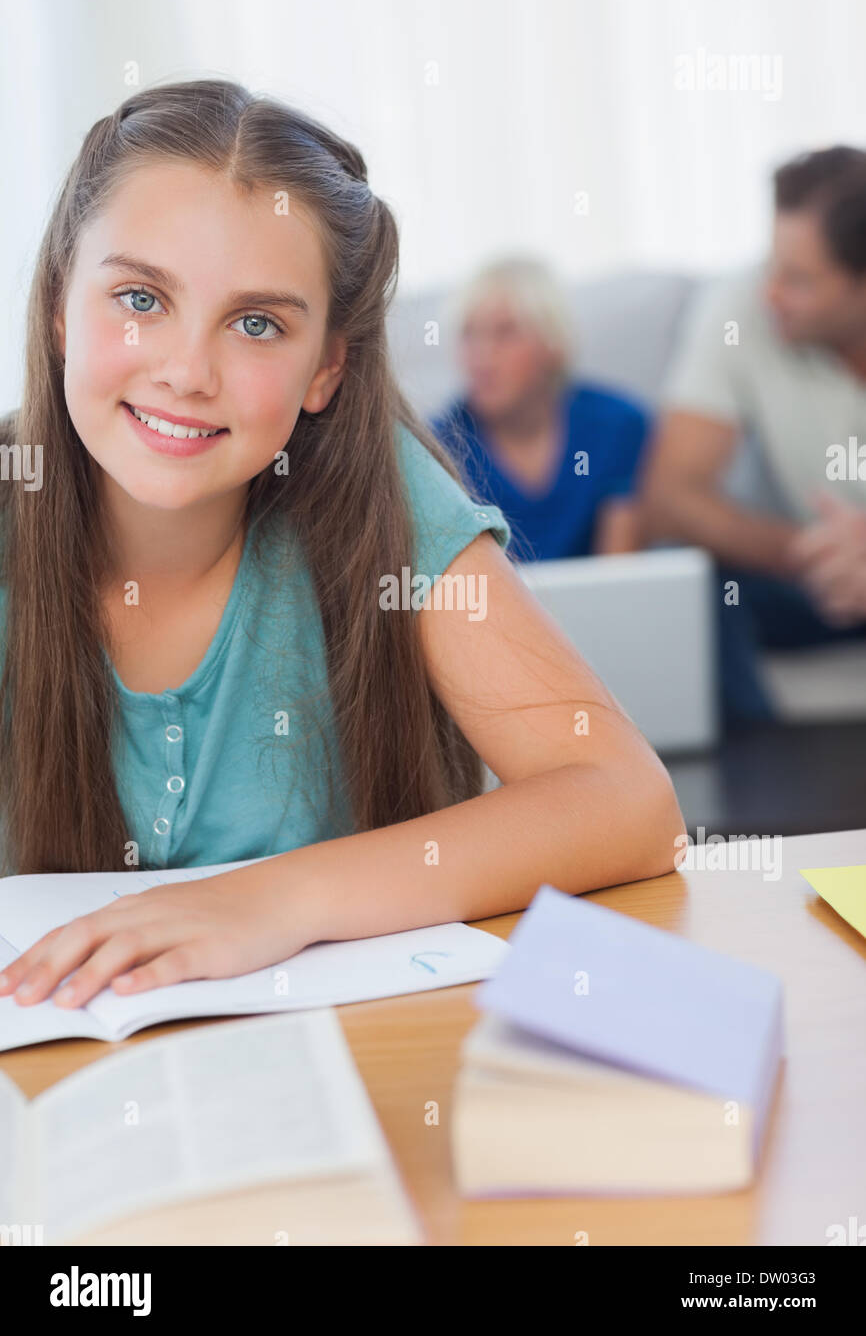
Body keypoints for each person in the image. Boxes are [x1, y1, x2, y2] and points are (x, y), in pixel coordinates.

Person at [0, 79, 683, 1010]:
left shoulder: (383, 499)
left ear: (326, 366)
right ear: (56, 308)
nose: (187, 373)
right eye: (138, 297)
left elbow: (628, 803)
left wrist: (271, 899)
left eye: (256, 324)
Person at [641, 146, 866, 725]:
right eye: (772, 265)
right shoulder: (743, 309)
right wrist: (815, 552)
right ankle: (768, 798)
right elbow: (672, 495)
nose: (771, 292)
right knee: (693, 576)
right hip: (812, 581)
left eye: (800, 279)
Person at [432, 258, 652, 562]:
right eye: (469, 334)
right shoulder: (436, 448)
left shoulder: (617, 426)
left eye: (505, 333)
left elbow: (621, 575)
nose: (481, 357)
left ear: (554, 343)